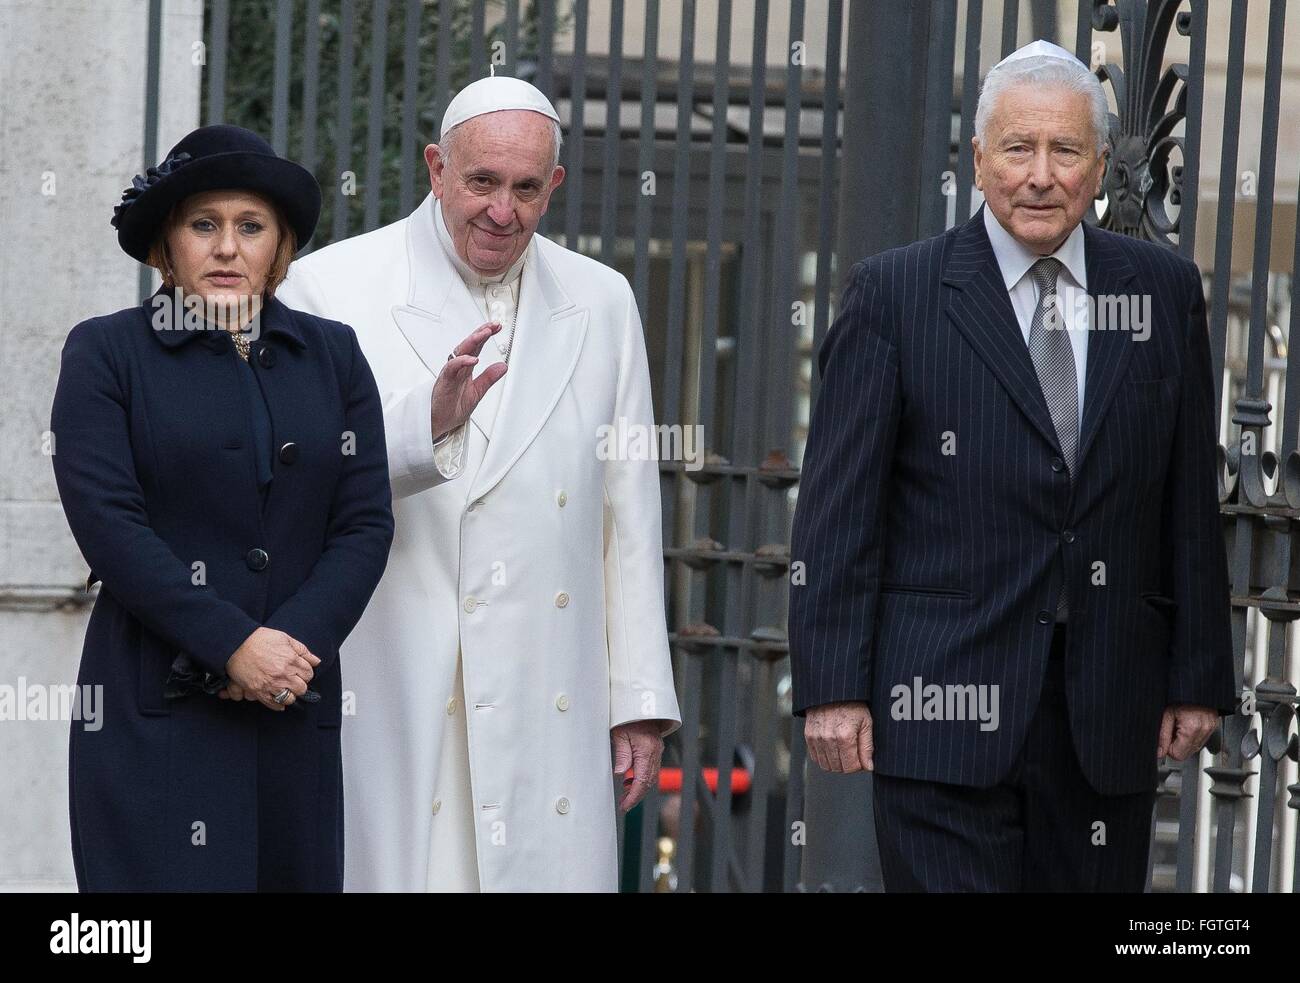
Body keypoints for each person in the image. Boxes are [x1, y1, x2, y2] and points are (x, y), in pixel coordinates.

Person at [788, 40, 1235, 892]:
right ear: (979, 157)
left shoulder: (1163, 290)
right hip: (941, 711)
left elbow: (1186, 498)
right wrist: (833, 686)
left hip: (1106, 716)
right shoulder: (895, 294)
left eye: (1065, 151)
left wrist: (1199, 673)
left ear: (1100, 165)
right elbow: (840, 508)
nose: (1040, 174)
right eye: (1019, 149)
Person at [277, 76, 681, 892]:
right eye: (482, 183)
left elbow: (627, 510)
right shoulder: (330, 288)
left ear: (553, 185)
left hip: (548, 680)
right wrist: (423, 427)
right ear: (436, 168)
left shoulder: (604, 300)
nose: (504, 211)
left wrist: (638, 695)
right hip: (403, 671)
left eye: (527, 188)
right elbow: (292, 479)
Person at [50, 124, 394, 891]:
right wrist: (232, 643)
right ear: (163, 247)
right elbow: (110, 526)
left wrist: (288, 646)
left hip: (291, 710)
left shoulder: (334, 355)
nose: (228, 248)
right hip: (154, 715)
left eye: (251, 227)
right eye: (204, 225)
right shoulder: (105, 353)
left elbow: (365, 521)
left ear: (281, 249)